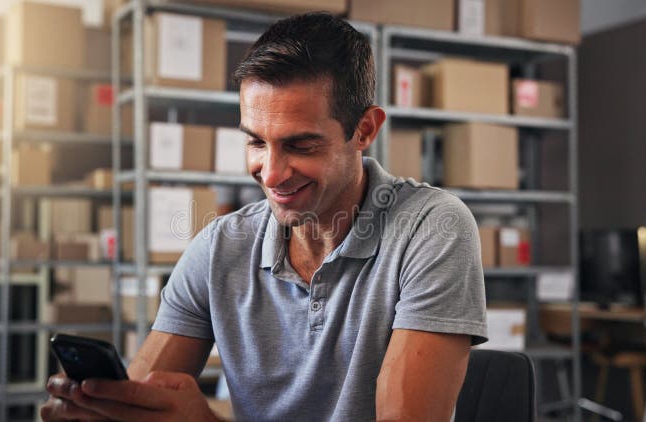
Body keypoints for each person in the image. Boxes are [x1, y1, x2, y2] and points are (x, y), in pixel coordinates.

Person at [42, 12, 487, 421]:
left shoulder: (434, 228)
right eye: (256, 142)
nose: (270, 173)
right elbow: (141, 397)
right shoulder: (221, 247)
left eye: (301, 145)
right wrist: (100, 407)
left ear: (364, 130)